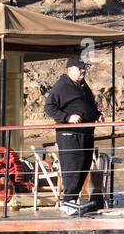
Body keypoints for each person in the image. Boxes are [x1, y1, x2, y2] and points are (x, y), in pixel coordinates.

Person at [43, 57, 105, 211]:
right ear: (70, 69)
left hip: (86, 134)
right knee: (73, 167)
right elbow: (49, 107)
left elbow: (89, 105)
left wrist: (97, 114)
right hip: (70, 135)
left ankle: (74, 201)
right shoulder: (62, 85)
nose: (83, 70)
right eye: (80, 68)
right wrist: (67, 117)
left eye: (84, 67)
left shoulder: (83, 85)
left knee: (84, 167)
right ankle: (68, 202)